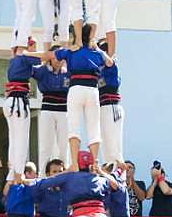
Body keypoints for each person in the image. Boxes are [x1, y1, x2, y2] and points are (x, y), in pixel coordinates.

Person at [29, 25, 112, 167]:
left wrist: (26, 54)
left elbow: (47, 55)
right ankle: (94, 162)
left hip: (70, 99)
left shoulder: (70, 60)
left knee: (69, 136)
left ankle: (71, 165)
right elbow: (109, 62)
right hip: (80, 95)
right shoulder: (94, 53)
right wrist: (97, 49)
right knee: (91, 129)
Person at [3, 42, 41, 179]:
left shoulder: (15, 61)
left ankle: (12, 172)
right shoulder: (24, 57)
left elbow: (36, 69)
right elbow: (40, 59)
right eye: (34, 47)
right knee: (21, 140)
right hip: (18, 102)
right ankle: (18, 173)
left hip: (10, 101)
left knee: (13, 139)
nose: (35, 50)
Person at [32, 56, 70, 178]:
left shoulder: (68, 72)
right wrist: (44, 63)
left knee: (64, 145)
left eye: (60, 57)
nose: (58, 60)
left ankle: (65, 175)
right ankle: (43, 176)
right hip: (47, 109)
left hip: (64, 110)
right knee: (46, 146)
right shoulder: (43, 71)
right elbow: (31, 70)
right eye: (55, 57)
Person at [98, 48, 123, 166]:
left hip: (111, 106)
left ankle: (120, 177)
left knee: (114, 146)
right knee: (105, 146)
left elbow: (109, 62)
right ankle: (109, 175)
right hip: (102, 108)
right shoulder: (99, 72)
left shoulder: (112, 68)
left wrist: (97, 48)